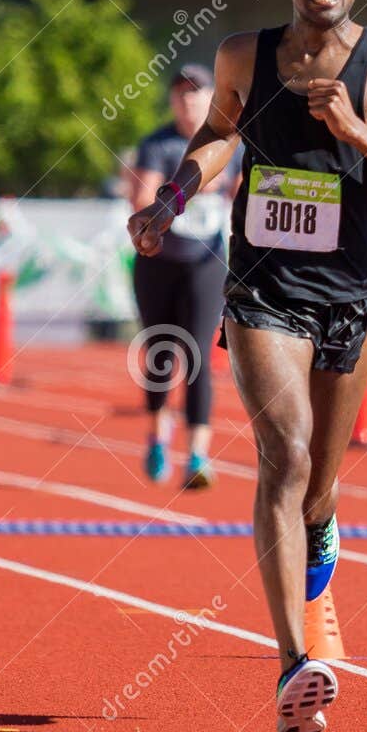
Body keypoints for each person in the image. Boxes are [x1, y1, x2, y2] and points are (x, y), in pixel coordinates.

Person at [128, 0, 367, 732]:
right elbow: (215, 136)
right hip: (261, 290)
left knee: (319, 480)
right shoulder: (243, 55)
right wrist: (171, 198)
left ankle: (322, 525)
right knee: (279, 453)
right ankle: (292, 664)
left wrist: (357, 130)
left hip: (347, 295)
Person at [126, 65, 240, 490]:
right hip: (158, 262)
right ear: (172, 100)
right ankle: (158, 436)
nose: (188, 100)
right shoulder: (158, 143)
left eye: (196, 93)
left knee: (197, 356)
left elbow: (245, 189)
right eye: (180, 93)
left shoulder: (230, 143)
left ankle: (197, 454)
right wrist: (186, 189)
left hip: (206, 262)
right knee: (160, 354)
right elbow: (142, 194)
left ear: (210, 97)